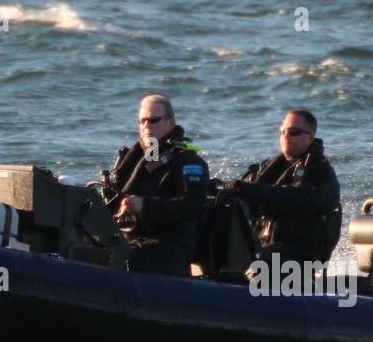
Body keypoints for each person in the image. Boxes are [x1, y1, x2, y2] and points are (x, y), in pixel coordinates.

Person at [107, 94, 209, 276]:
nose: (147, 125)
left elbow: (191, 206)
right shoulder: (133, 160)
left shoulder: (188, 161)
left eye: (154, 120)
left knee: (125, 257)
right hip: (133, 238)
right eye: (142, 120)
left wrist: (145, 205)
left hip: (171, 247)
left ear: (171, 123)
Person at [225, 109, 341, 267]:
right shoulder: (267, 166)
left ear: (310, 137)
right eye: (283, 131)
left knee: (264, 258)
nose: (286, 136)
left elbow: (297, 198)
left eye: (294, 132)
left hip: (302, 252)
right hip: (266, 244)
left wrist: (251, 189)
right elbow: (246, 189)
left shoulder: (320, 171)